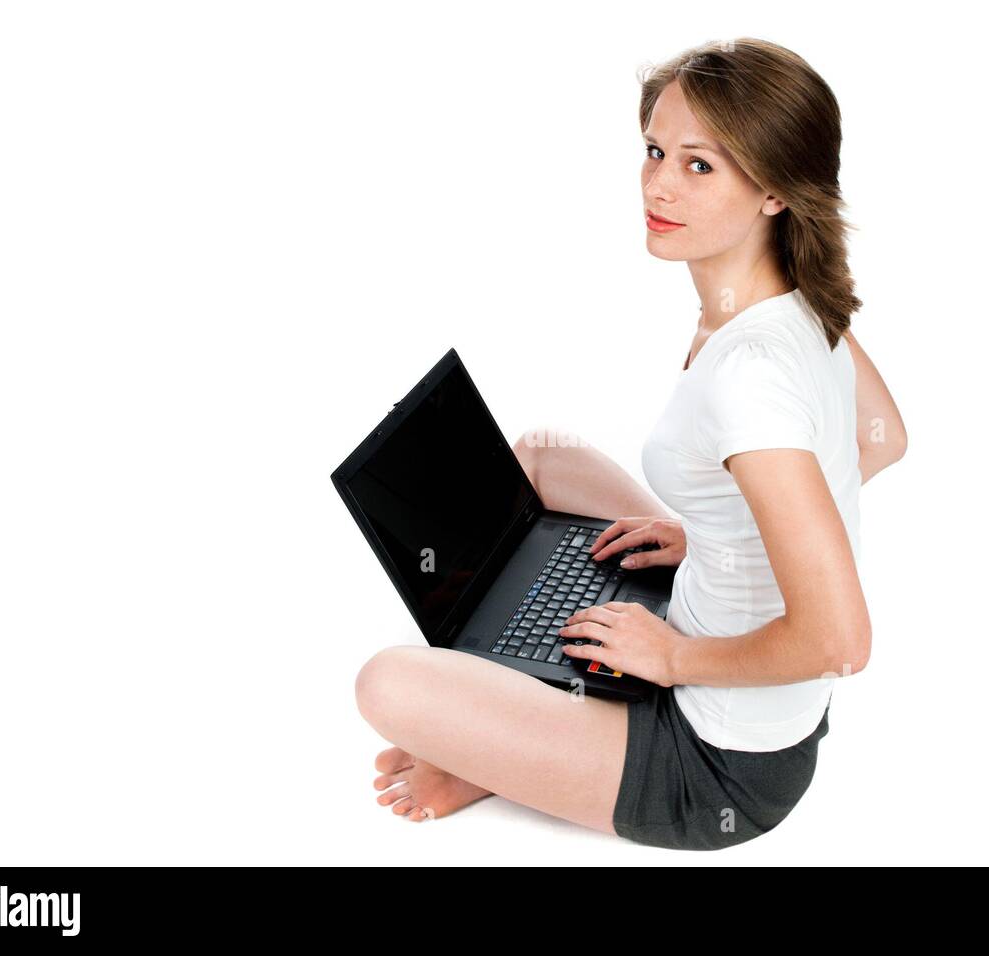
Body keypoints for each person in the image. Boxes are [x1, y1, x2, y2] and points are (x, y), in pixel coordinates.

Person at [354, 37, 907, 850]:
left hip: (716, 763)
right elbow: (883, 438)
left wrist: (675, 659)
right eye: (655, 151)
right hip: (716, 643)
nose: (657, 184)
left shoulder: (748, 376)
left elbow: (840, 641)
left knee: (386, 683)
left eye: (699, 166)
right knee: (543, 459)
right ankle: (527, 698)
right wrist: (723, 537)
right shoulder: (793, 305)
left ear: (776, 191)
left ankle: (510, 744)